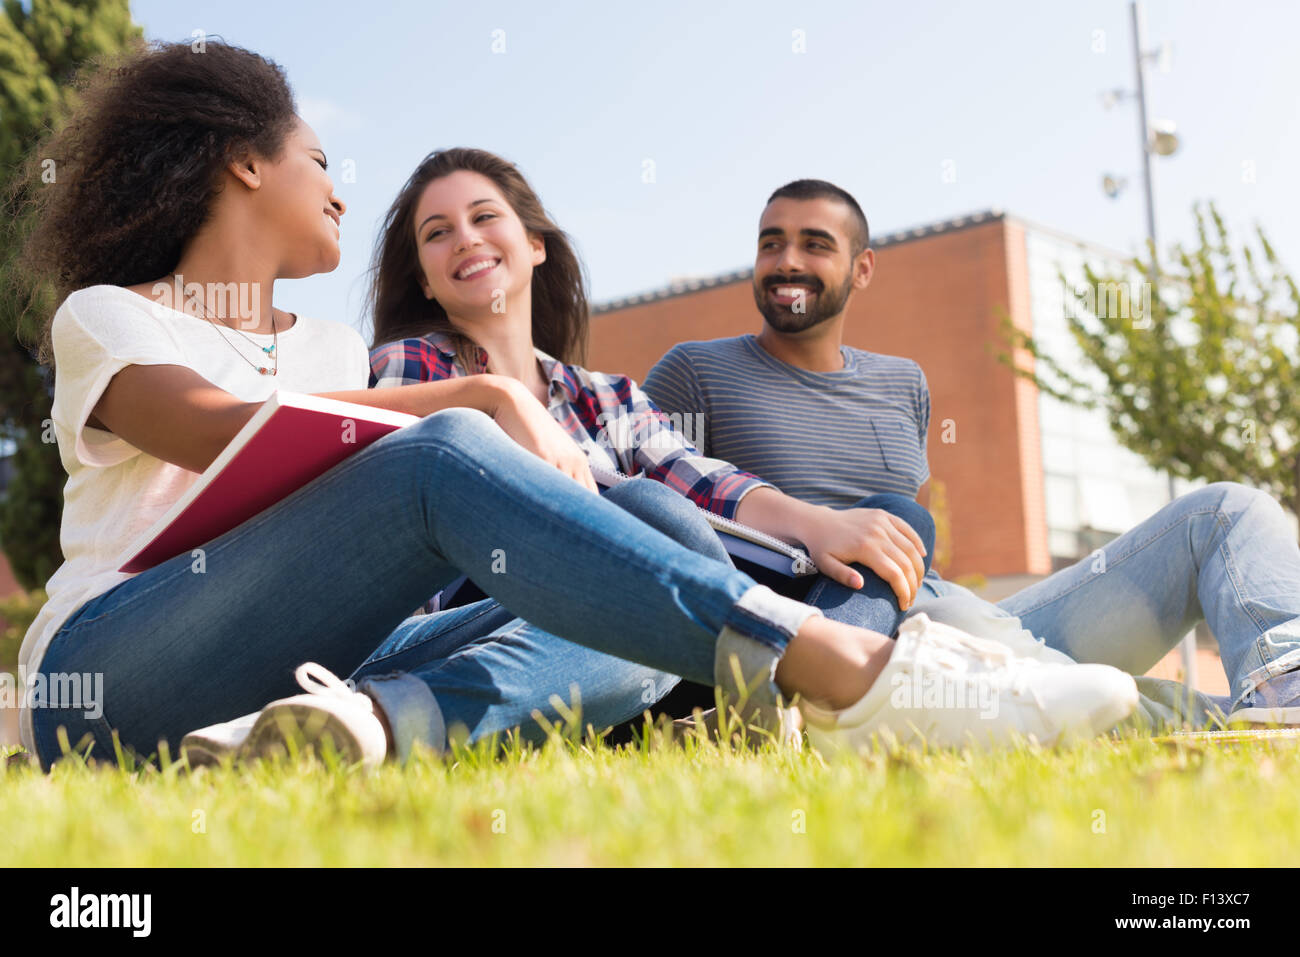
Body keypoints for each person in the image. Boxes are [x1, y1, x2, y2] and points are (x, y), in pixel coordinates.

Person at [9, 41, 1137, 771]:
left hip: (309, 669)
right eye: (316, 158)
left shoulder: (325, 345)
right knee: (447, 441)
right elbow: (211, 429)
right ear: (243, 165)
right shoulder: (113, 313)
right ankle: (850, 676)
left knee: (643, 563)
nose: (340, 186)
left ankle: (363, 730)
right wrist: (485, 394)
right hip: (120, 669)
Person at [642, 178, 1300, 730]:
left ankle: (1280, 694)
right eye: (770, 243)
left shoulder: (903, 383)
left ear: (862, 267)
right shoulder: (695, 372)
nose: (787, 261)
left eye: (815, 244)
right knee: (1073, 691)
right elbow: (659, 544)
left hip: (948, 614)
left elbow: (917, 541)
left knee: (1229, 511)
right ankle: (1220, 722)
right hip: (823, 637)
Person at [366, 148, 942, 722]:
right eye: (438, 232)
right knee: (645, 507)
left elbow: (701, 481)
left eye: (484, 217)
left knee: (894, 519)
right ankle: (797, 691)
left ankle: (787, 706)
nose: (465, 238)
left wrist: (817, 524)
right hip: (523, 621)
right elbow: (410, 534)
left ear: (536, 244)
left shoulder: (604, 394)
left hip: (661, 630)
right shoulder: (413, 364)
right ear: (424, 280)